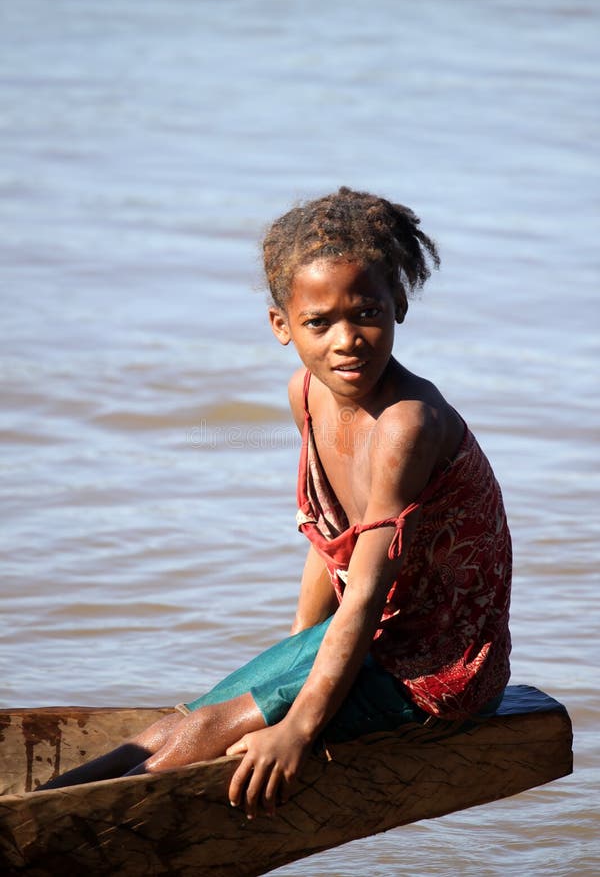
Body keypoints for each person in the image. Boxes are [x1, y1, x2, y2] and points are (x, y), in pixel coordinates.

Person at [40, 187, 512, 819]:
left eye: (367, 313)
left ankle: (67, 823)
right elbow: (330, 536)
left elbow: (366, 593)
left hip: (437, 665)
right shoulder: (306, 395)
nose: (346, 340)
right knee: (177, 728)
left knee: (213, 731)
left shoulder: (407, 426)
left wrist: (297, 727)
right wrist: (292, 652)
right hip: (366, 638)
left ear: (398, 304)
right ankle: (36, 808)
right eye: (319, 323)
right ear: (281, 326)